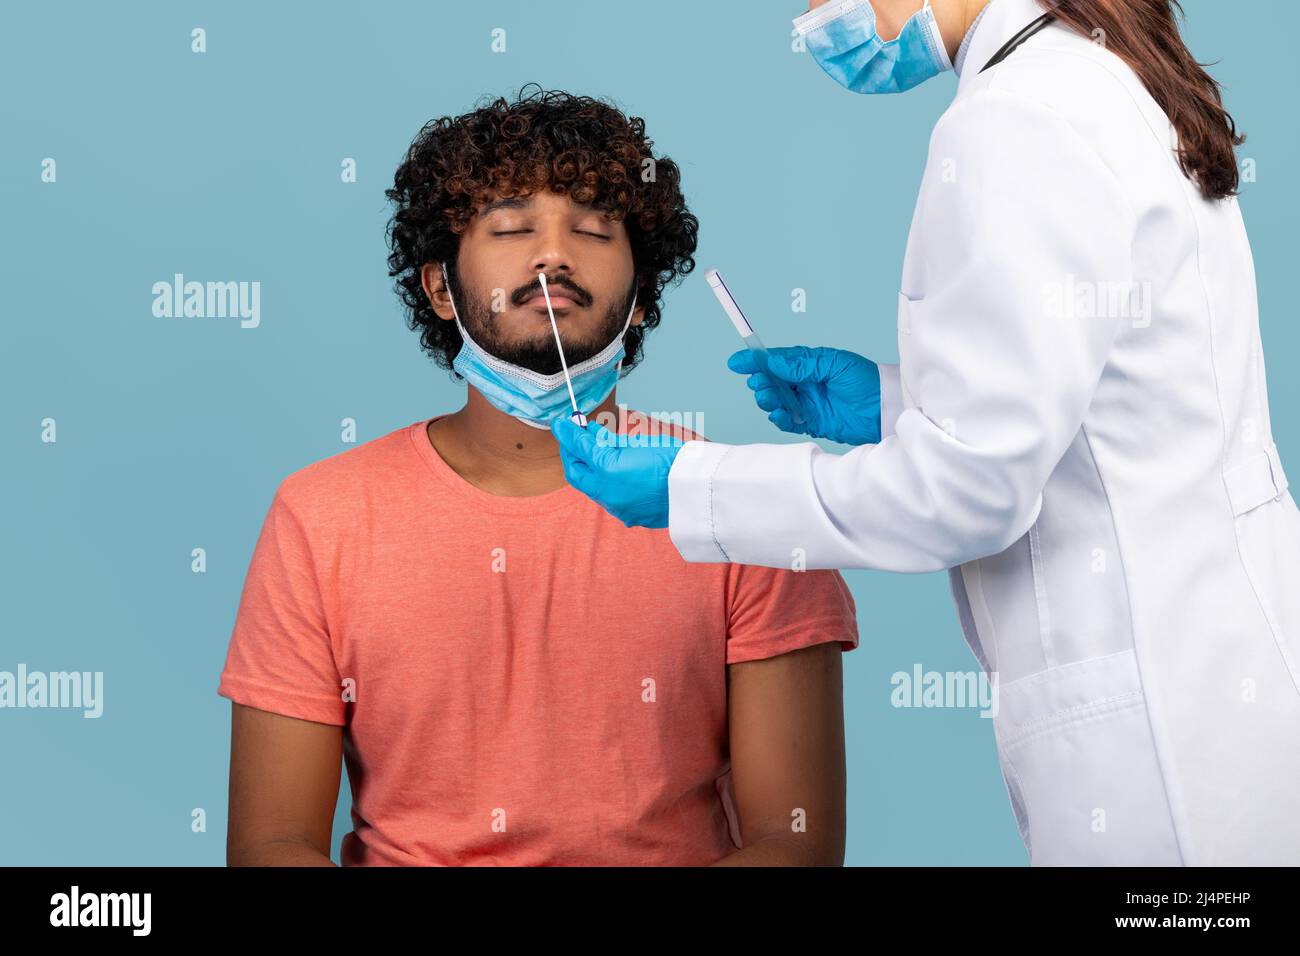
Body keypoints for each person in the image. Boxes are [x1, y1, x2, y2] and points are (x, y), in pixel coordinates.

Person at [551, 0, 1300, 865]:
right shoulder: (1102, 79)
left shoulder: (1015, 119)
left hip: (1164, 741)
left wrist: (691, 485)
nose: (811, 18)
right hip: (1232, 678)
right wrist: (897, 406)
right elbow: (1132, 405)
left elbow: (969, 493)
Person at [218, 85, 860, 867]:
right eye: (511, 228)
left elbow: (794, 848)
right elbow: (271, 845)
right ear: (438, 288)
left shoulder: (746, 510)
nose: (552, 253)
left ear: (641, 301)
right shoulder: (320, 517)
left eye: (592, 231)